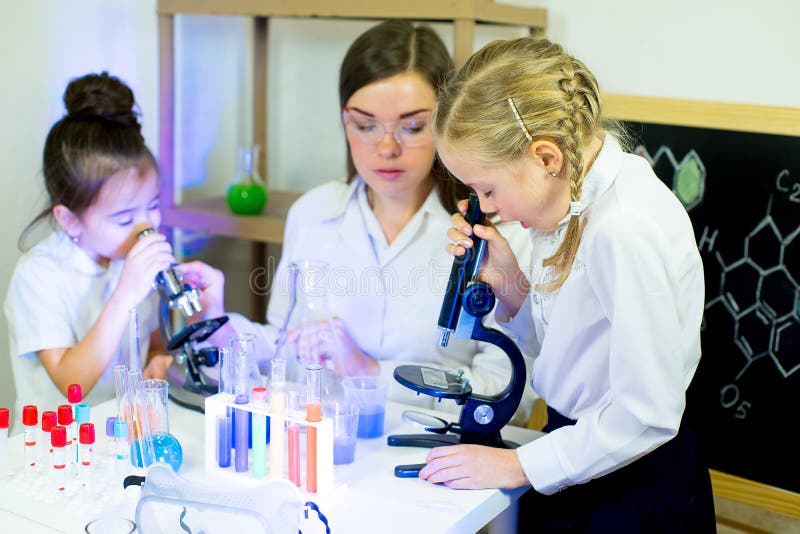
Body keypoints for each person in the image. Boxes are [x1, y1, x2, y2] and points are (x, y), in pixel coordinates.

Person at [418, 37, 716, 532]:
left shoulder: (623, 229)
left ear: (547, 158)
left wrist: (518, 466)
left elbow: (647, 412)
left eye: (487, 189)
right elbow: (574, 351)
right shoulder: (567, 203)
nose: (484, 206)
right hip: (577, 463)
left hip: (629, 488)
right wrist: (512, 284)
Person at [184, 20, 536, 421]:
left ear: (446, 121)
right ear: (344, 121)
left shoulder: (496, 234)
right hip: (326, 453)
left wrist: (368, 373)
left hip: (442, 462)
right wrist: (213, 325)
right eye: (366, 125)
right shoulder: (313, 214)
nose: (386, 147)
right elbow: (284, 352)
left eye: (413, 126)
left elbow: (511, 394)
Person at [4, 72, 186, 424]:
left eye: (153, 205)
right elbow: (72, 383)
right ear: (70, 220)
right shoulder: (39, 275)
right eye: (123, 219)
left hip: (121, 436)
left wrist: (159, 361)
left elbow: (154, 343)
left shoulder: (127, 259)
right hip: (53, 450)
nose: (145, 226)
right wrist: (125, 293)